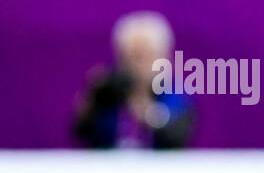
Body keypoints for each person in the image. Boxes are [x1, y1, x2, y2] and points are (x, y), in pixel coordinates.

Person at [72, 11, 195, 150]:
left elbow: (177, 135)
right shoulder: (108, 91)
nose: (139, 66)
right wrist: (91, 101)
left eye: (148, 56)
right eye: (134, 56)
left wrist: (148, 114)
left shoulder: (174, 93)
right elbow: (82, 131)